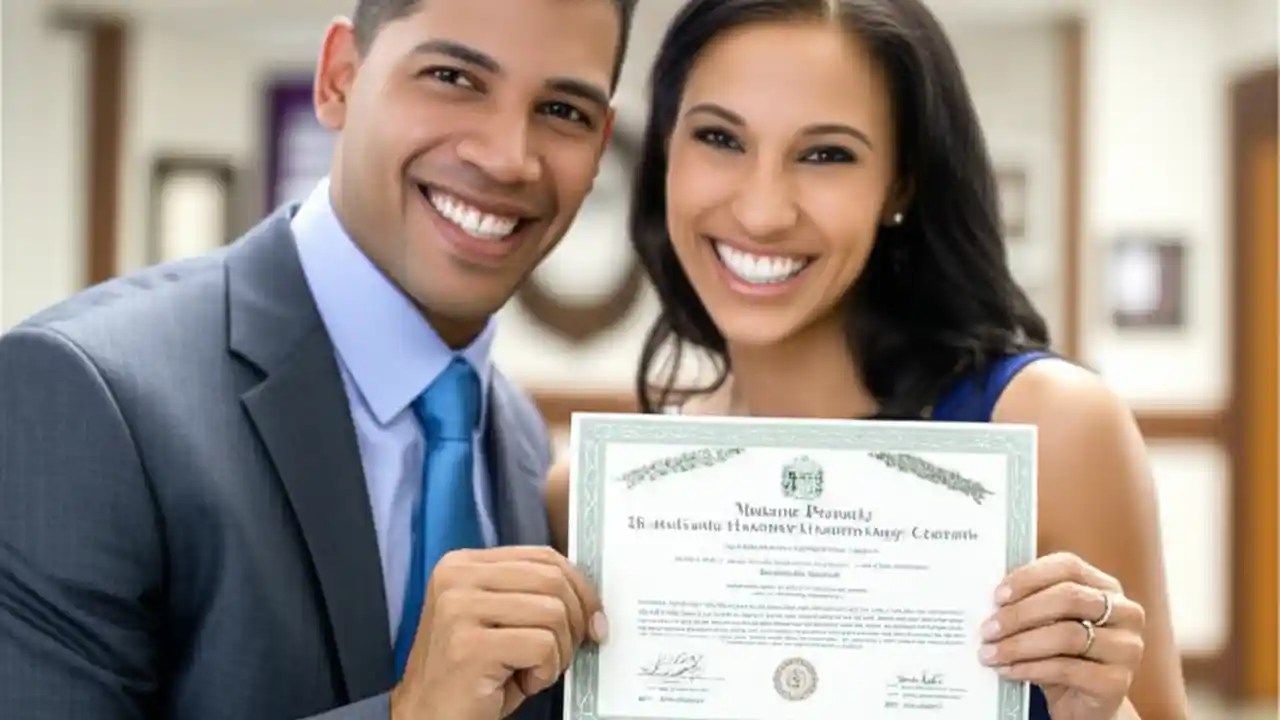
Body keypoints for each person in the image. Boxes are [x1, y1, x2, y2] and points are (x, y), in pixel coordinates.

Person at [546, 0, 1191, 718]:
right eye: (720, 138)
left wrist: (1100, 710)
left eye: (826, 154)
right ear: (665, 150)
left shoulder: (1059, 431)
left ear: (902, 183)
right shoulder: (595, 498)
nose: (762, 211)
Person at [0, 0, 634, 717]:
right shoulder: (82, 393)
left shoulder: (515, 436)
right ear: (339, 77)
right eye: (453, 76)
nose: (508, 157)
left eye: (563, 110)